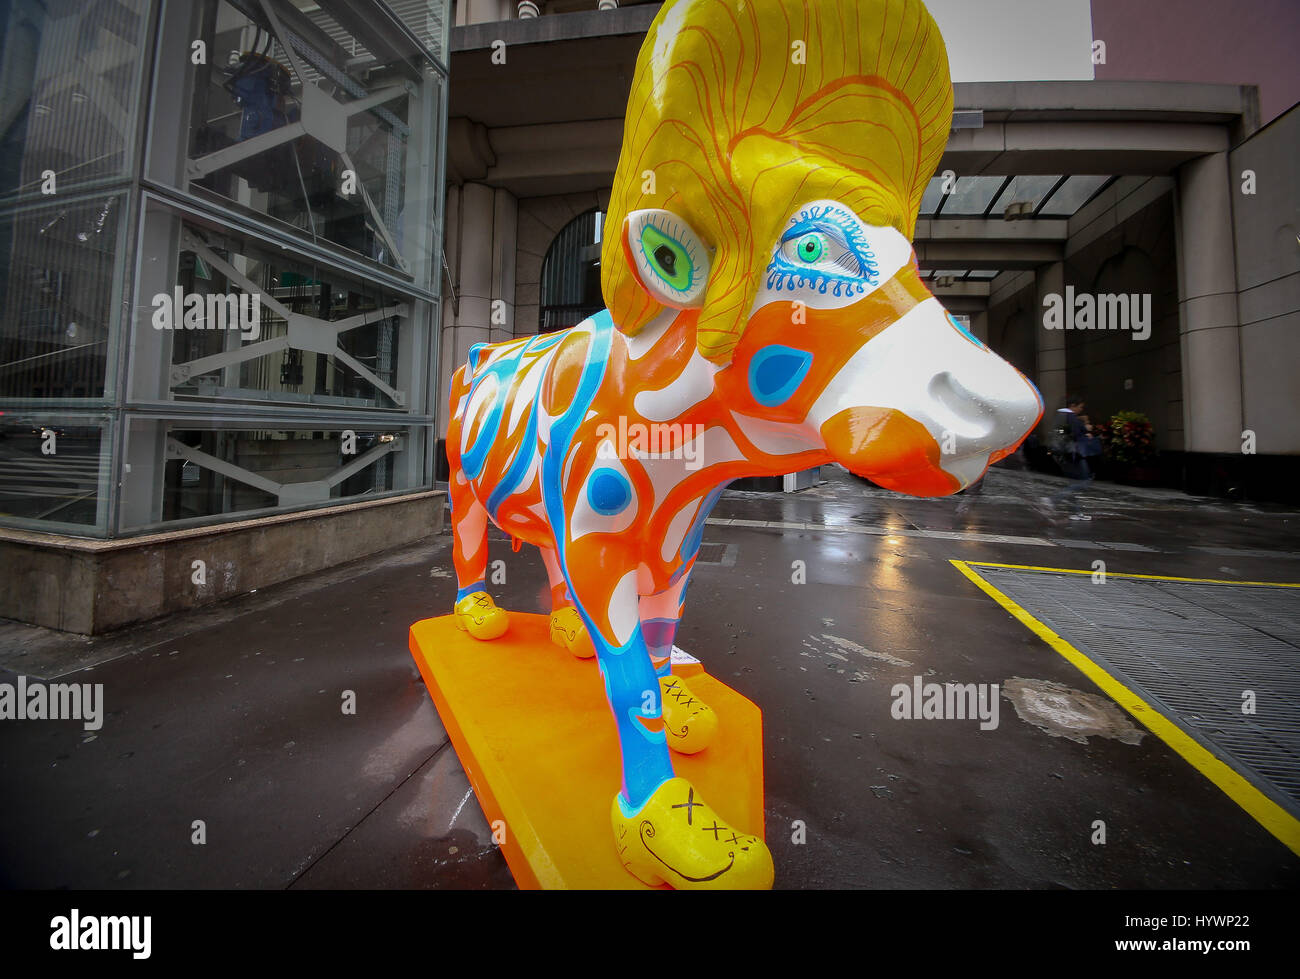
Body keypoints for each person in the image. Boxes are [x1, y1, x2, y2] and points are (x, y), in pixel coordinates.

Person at [1039, 395, 1094, 520]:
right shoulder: (1071, 418)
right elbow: (1076, 435)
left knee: (1073, 482)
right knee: (1084, 480)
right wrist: (1086, 429)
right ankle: (1052, 500)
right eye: (1080, 407)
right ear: (1072, 405)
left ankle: (1076, 511)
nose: (1081, 410)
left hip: (1062, 454)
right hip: (1073, 454)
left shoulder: (1060, 416)